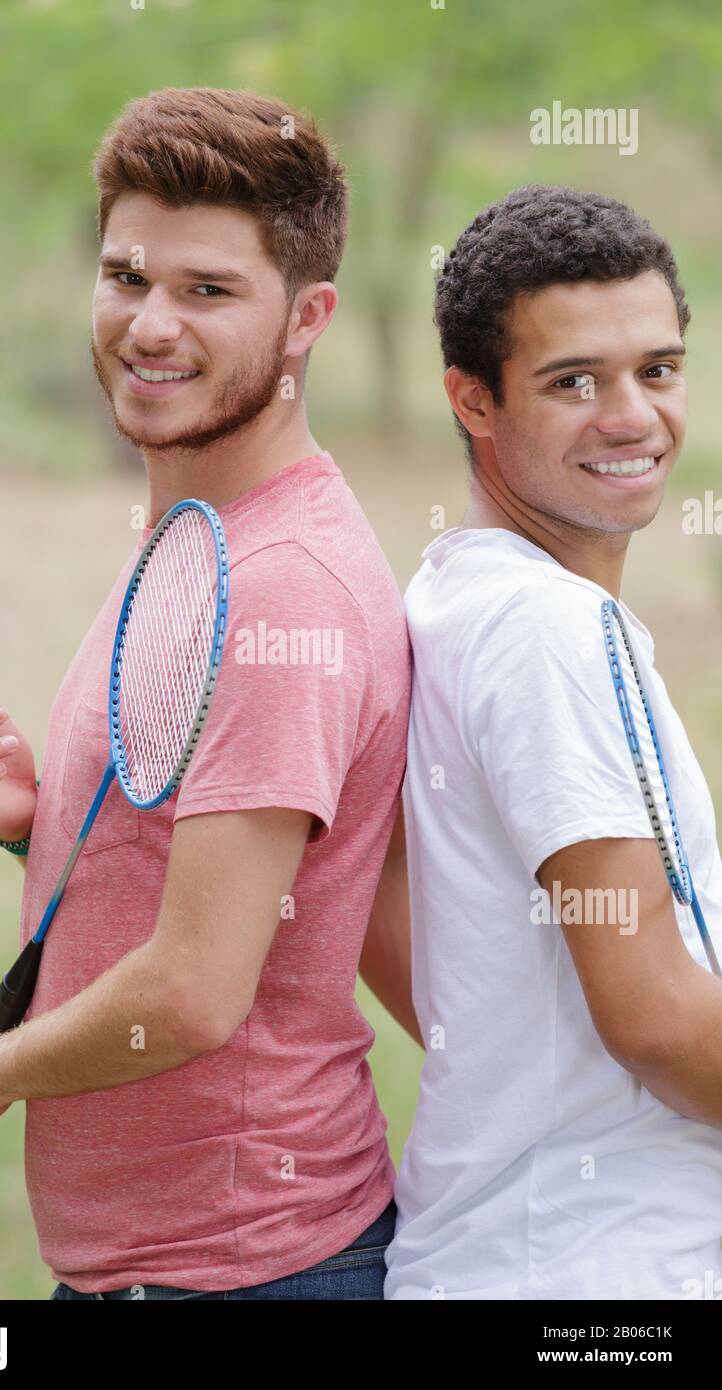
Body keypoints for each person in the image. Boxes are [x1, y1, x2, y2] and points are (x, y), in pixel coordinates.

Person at [0, 87, 417, 1300]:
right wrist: (38, 820)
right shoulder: (201, 523)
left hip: (240, 1269)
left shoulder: (279, 586)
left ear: (308, 320)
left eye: (206, 291)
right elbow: (221, 867)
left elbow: (193, 992)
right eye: (125, 274)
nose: (148, 323)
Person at [384, 185, 722, 1300]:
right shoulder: (549, 629)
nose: (630, 416)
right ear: (470, 400)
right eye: (572, 381)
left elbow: (407, 947)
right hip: (601, 1266)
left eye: (656, 370)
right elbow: (655, 1019)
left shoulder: (443, 604)